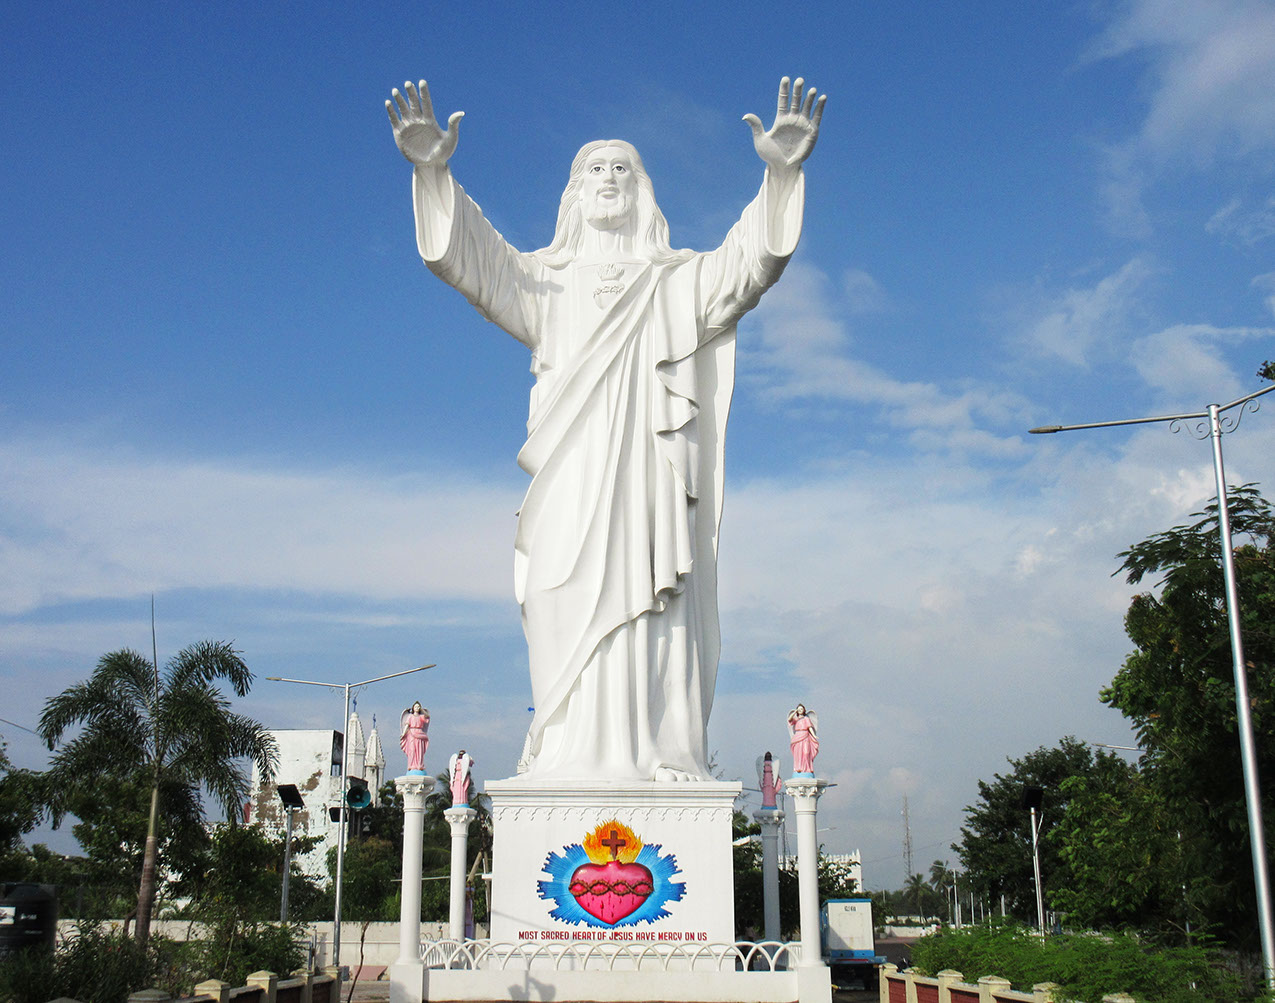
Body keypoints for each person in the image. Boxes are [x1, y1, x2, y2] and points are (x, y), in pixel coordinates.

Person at [387, 77, 825, 782]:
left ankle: (658, 748)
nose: (609, 178)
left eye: (623, 167)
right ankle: (564, 748)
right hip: (569, 476)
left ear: (643, 189)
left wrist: (781, 173)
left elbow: (749, 266)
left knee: (652, 598)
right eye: (595, 168)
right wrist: (432, 171)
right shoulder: (543, 281)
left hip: (646, 477)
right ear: (573, 193)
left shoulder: (674, 281)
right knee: (555, 593)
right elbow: (469, 261)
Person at [787, 704, 818, 774]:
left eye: (801, 709)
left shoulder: (806, 719)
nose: (800, 710)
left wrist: (814, 735)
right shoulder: (796, 719)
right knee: (798, 753)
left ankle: (808, 768)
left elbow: (810, 727)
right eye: (799, 709)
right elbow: (789, 719)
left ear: (804, 710)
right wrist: (794, 712)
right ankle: (798, 768)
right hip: (797, 736)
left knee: (806, 752)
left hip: (805, 735)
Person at [399, 701, 430, 772]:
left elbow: (427, 716)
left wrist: (422, 710)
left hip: (420, 733)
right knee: (412, 750)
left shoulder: (421, 717)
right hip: (412, 734)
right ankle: (411, 765)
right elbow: (407, 725)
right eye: (416, 707)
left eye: (418, 707)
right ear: (413, 708)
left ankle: (419, 765)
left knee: (419, 750)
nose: (417, 708)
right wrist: (403, 733)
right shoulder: (410, 716)